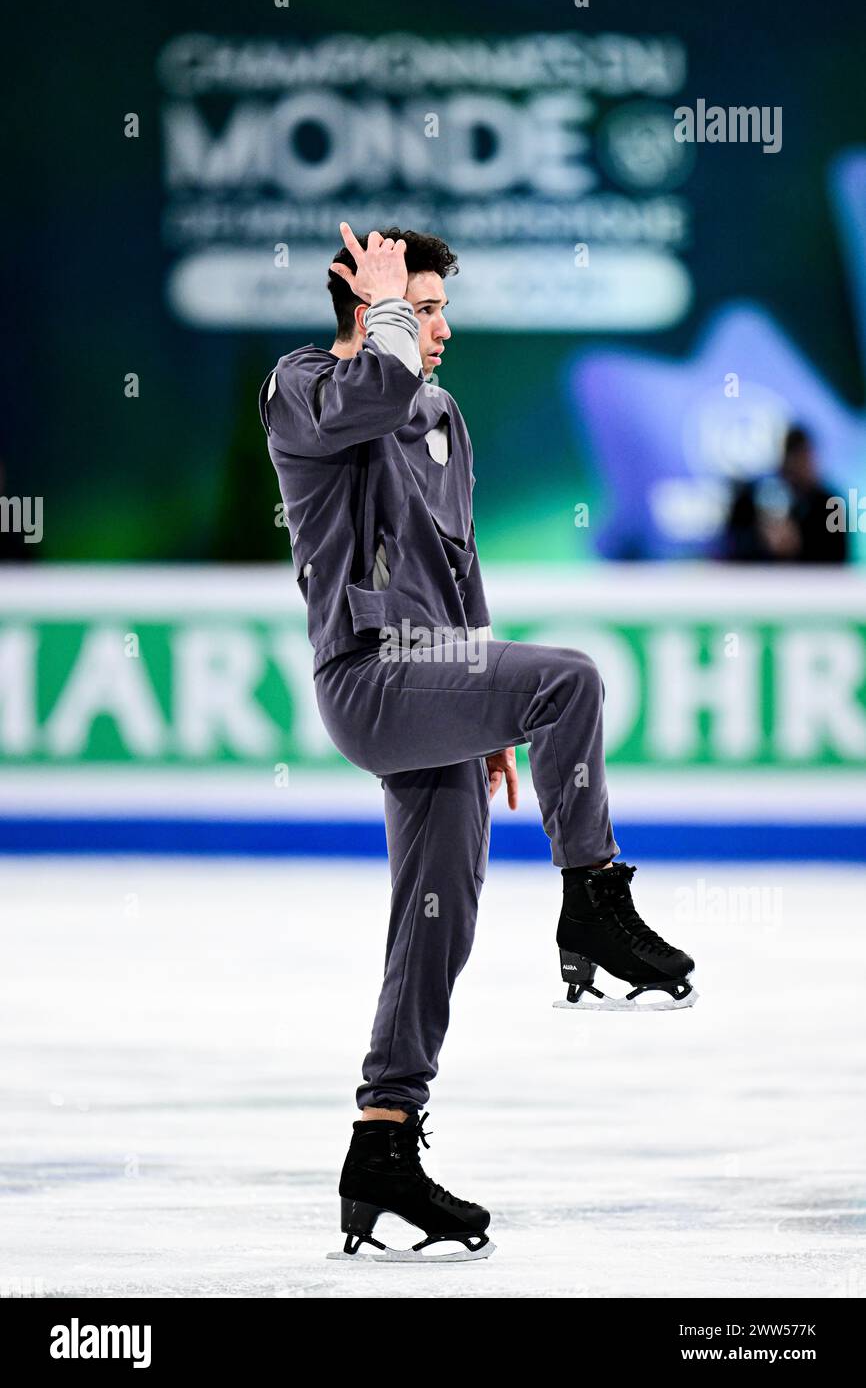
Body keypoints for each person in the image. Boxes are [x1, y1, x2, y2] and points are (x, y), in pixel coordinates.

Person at [259, 223, 697, 1263]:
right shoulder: (304, 384)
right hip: (368, 678)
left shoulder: (442, 413)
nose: (442, 328)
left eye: (441, 308)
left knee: (438, 910)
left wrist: (483, 697)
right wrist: (383, 320)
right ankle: (590, 900)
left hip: (439, 680)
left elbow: (457, 562)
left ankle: (382, 1143)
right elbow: (367, 396)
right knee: (572, 677)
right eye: (425, 305)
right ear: (369, 303)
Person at [722, 425, 848, 564]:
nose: (805, 464)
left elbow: (838, 560)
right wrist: (761, 540)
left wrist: (799, 544)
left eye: (807, 456)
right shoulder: (749, 497)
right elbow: (731, 548)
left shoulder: (830, 503)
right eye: (796, 456)